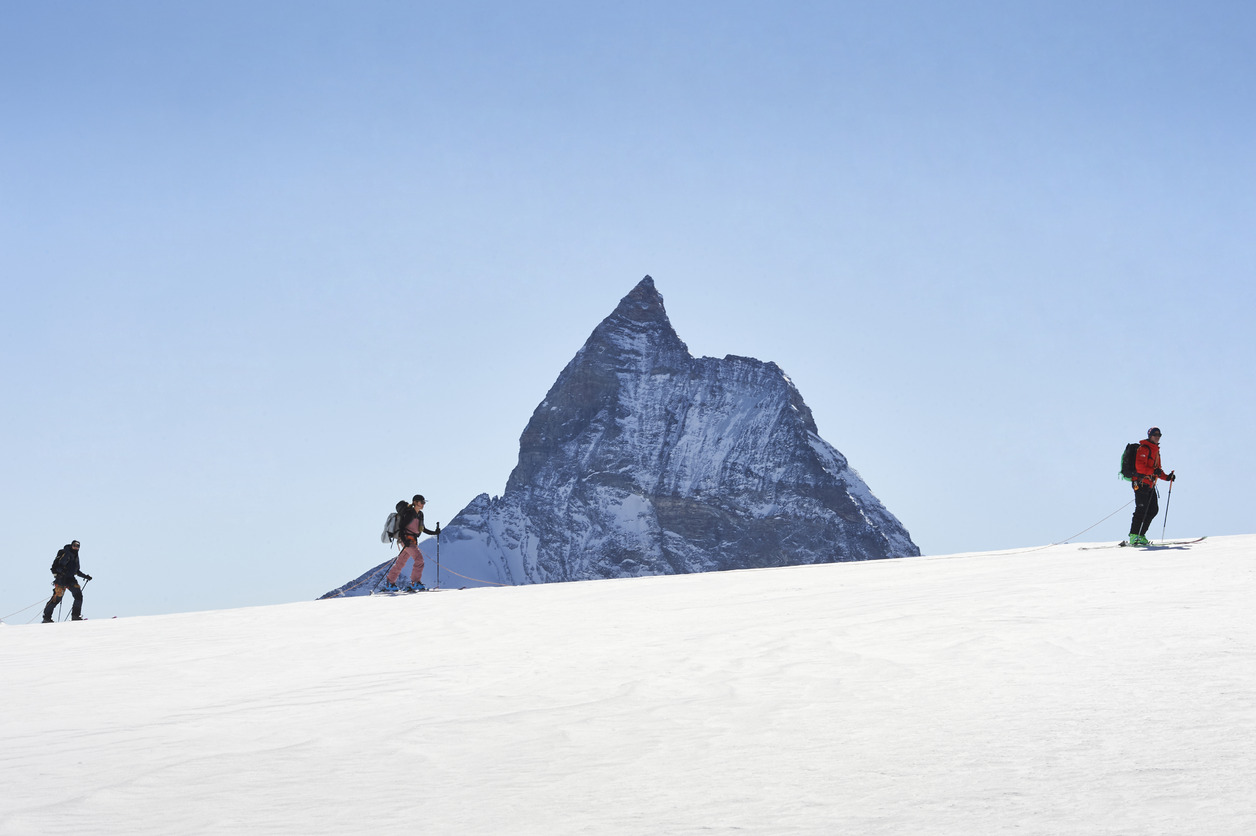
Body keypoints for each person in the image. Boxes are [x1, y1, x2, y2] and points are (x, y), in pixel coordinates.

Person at [1129, 427, 1175, 546]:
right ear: (1150, 435)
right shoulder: (1144, 448)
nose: (1157, 436)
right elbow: (1140, 467)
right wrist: (1155, 472)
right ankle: (1134, 535)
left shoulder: (1156, 451)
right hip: (1140, 483)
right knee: (1141, 510)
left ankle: (1141, 535)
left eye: (1159, 435)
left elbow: (1157, 470)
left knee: (1153, 510)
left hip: (1150, 484)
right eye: (1155, 434)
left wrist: (1167, 477)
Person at [384, 495, 440, 591]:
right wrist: (404, 540)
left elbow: (422, 529)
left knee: (400, 563)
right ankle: (415, 582)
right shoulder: (409, 513)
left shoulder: (420, 514)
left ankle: (390, 583)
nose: (423, 504)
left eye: (424, 502)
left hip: (411, 541)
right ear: (415, 502)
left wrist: (435, 532)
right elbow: (401, 527)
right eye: (421, 502)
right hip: (406, 541)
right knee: (419, 559)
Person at [42, 540, 92, 622]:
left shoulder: (75, 556)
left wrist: (85, 576)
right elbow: (58, 566)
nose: (76, 547)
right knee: (56, 599)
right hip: (61, 579)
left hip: (70, 579)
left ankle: (75, 615)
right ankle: (46, 617)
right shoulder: (66, 553)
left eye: (78, 546)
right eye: (75, 545)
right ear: (71, 545)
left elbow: (76, 571)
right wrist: (61, 573)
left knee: (78, 596)